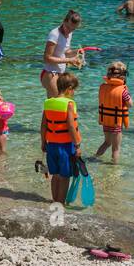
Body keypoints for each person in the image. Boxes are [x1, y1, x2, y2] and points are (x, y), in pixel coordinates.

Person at [40, 73, 81, 205]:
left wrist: (43, 142)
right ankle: (61, 203)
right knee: (64, 177)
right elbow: (70, 126)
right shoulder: (70, 104)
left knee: (55, 175)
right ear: (69, 88)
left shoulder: (48, 102)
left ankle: (54, 200)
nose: (74, 92)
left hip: (51, 145)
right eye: (74, 89)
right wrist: (77, 145)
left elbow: (43, 125)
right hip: (66, 146)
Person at [41, 10, 84, 97]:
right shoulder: (55, 34)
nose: (70, 31)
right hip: (50, 73)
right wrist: (69, 60)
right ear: (64, 21)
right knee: (53, 105)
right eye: (68, 27)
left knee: (64, 102)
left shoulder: (69, 33)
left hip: (60, 73)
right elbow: (47, 58)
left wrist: (76, 52)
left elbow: (66, 52)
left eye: (73, 29)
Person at [95, 61, 131, 163]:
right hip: (116, 123)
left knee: (106, 142)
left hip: (106, 121)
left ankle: (94, 158)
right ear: (123, 77)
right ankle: (114, 167)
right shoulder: (123, 91)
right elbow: (130, 104)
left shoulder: (103, 87)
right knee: (116, 148)